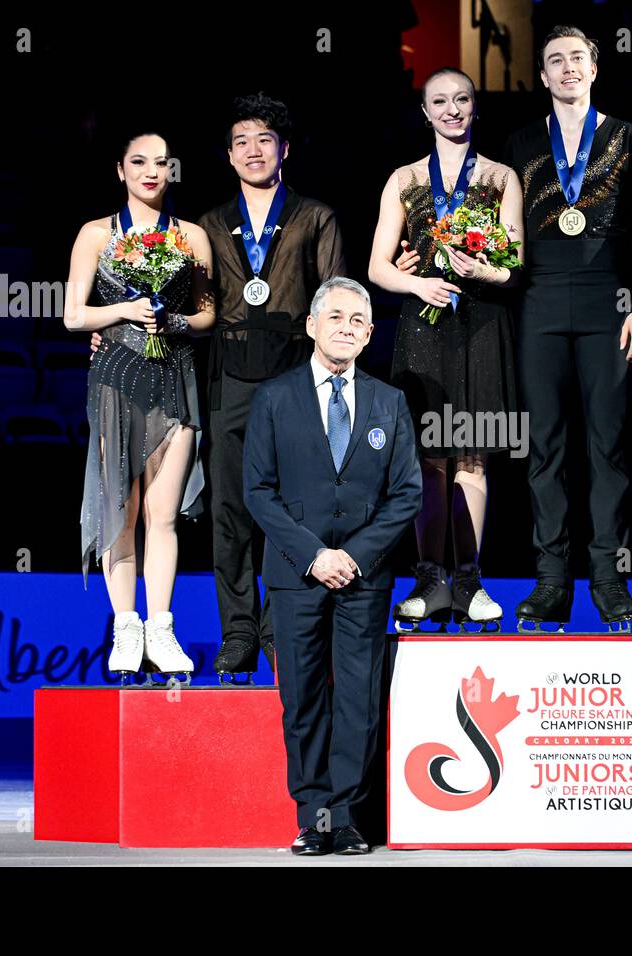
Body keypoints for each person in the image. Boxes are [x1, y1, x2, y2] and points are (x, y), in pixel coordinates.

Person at [89, 95, 347, 681]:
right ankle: (237, 636)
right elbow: (180, 310)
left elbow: (334, 298)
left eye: (264, 140)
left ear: (284, 149)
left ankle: (282, 631)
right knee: (230, 511)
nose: (253, 151)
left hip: (294, 376)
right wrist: (116, 328)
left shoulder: (315, 217)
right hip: (226, 378)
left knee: (292, 511)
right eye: (241, 142)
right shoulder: (205, 225)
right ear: (229, 156)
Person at [243, 277, 422, 855]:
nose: (346, 327)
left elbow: (407, 494)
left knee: (358, 698)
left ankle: (345, 816)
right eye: (336, 317)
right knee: (302, 697)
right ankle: (312, 815)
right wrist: (315, 555)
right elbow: (257, 491)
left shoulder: (389, 402)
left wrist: (356, 555)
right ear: (313, 326)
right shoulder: (274, 397)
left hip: (364, 578)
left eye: (358, 321)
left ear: (370, 335)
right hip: (296, 575)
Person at [502, 24, 632, 632]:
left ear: (594, 69)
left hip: (609, 300)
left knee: (609, 446)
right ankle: (550, 580)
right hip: (539, 296)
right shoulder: (519, 142)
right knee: (543, 446)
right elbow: (501, 228)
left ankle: (608, 577)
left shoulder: (628, 138)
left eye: (578, 58)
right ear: (541, 76)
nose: (567, 68)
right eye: (555, 60)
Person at [369, 66, 523, 633]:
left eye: (462, 99)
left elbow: (514, 264)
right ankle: (429, 578)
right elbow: (376, 267)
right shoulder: (405, 178)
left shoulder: (502, 176)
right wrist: (417, 283)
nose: (453, 109)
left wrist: (483, 266)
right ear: (426, 112)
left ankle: (469, 580)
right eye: (441, 101)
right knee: (430, 457)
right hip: (423, 322)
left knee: (474, 454)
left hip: (481, 321)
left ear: (475, 108)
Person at [64, 132, 215, 681]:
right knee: (121, 512)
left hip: (174, 375)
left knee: (164, 515)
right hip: (115, 379)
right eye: (139, 162)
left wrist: (170, 321)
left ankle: (161, 626)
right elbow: (74, 317)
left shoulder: (191, 236)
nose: (151, 171)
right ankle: (125, 628)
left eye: (161, 162)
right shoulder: (95, 234)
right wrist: (125, 310)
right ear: (120, 170)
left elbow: (206, 317)